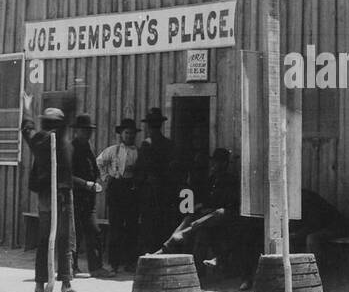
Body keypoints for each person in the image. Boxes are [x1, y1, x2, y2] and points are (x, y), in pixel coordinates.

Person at [21, 105, 97, 292]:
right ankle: (65, 283)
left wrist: (27, 109)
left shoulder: (38, 142)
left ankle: (40, 283)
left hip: (45, 196)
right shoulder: (63, 143)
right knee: (65, 239)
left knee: (44, 238)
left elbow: (27, 130)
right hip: (62, 195)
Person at [160, 148, 242, 273]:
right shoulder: (212, 179)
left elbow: (229, 202)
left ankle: (184, 233)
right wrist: (201, 207)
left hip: (226, 215)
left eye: (216, 162)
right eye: (213, 162)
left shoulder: (230, 179)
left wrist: (210, 208)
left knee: (218, 213)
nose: (213, 165)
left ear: (224, 163)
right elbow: (207, 199)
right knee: (196, 224)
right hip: (209, 217)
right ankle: (169, 247)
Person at [97, 117, 141, 273]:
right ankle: (113, 263)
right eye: (126, 133)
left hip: (131, 189)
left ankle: (130, 262)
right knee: (115, 226)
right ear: (121, 134)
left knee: (131, 226)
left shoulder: (137, 152)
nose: (129, 136)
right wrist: (105, 177)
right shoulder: (113, 150)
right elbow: (99, 162)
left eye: (132, 133)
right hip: (116, 188)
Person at [133, 108, 178, 255]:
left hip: (152, 191)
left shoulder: (147, 144)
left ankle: (151, 255)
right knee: (161, 225)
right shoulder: (168, 144)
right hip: (162, 191)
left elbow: (141, 168)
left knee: (150, 226)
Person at [68, 114, 104, 277]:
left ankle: (96, 268)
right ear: (76, 131)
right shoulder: (71, 149)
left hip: (89, 199)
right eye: (84, 130)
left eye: (89, 130)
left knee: (94, 231)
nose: (87, 133)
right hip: (74, 198)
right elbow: (66, 175)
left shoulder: (88, 148)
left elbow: (93, 169)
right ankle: (71, 268)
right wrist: (85, 184)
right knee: (74, 234)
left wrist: (98, 178)